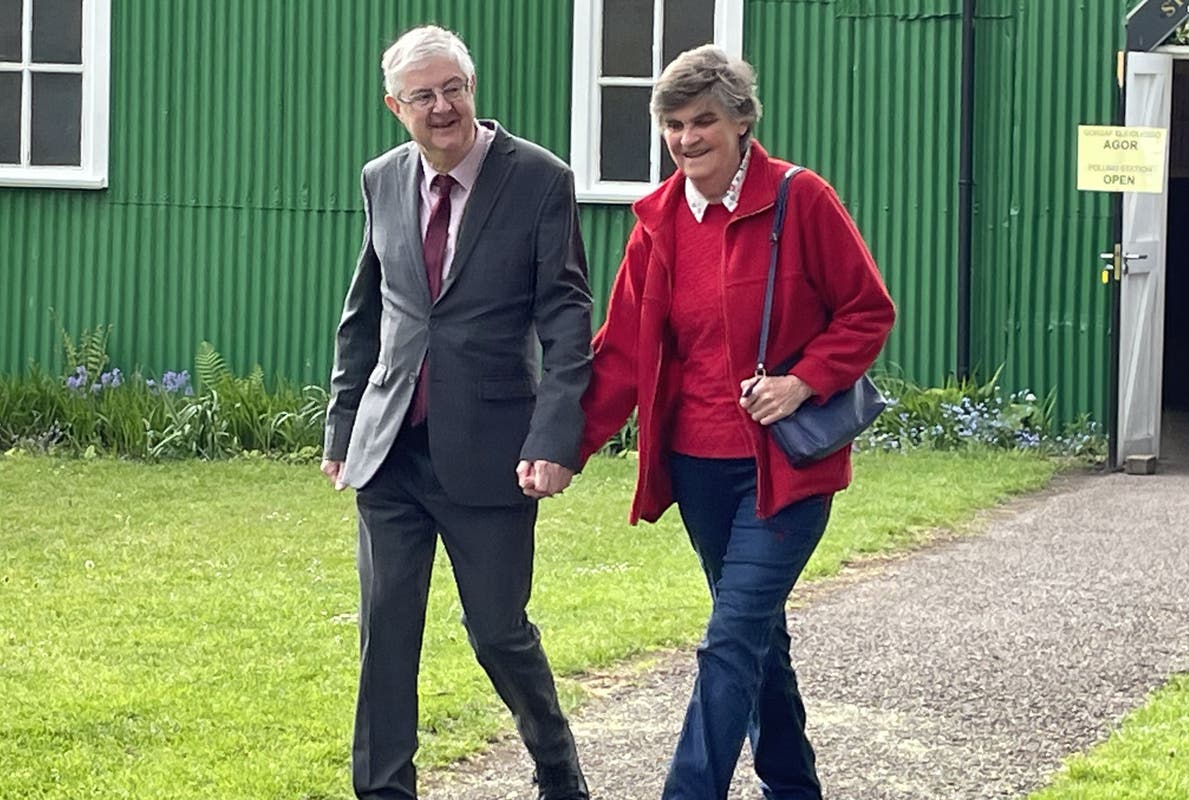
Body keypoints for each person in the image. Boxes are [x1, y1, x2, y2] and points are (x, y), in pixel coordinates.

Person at [578, 45, 895, 800]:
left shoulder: (800, 198)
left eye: (703, 122)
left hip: (786, 468)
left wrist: (801, 381)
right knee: (756, 640)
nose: (687, 139)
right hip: (699, 469)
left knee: (728, 641)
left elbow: (867, 310)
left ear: (743, 121)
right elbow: (621, 350)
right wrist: (559, 447)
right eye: (673, 125)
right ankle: (794, 787)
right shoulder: (655, 223)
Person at [319, 25, 593, 800]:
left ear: (472, 88)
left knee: (500, 633)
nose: (443, 107)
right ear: (394, 107)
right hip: (391, 450)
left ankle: (557, 769)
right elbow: (364, 312)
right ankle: (382, 791)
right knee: (387, 638)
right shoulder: (381, 178)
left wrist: (555, 436)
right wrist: (343, 425)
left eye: (454, 89)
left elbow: (567, 316)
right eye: (424, 96)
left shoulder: (539, 178)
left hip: (494, 450)